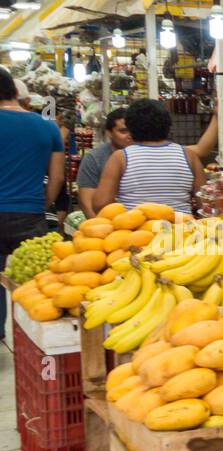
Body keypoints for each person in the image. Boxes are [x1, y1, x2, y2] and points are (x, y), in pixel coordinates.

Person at [0, 67, 63, 333]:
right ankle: (31, 335)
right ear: (15, 91)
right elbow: (57, 178)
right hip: (30, 213)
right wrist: (42, 202)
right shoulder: (47, 127)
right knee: (32, 283)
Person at [92, 99, 205, 216]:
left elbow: (101, 204)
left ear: (131, 127)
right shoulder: (188, 155)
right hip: (180, 230)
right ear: (168, 125)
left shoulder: (120, 157)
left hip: (135, 230)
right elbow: (204, 203)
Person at [76, 109, 130, 218]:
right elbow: (87, 203)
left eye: (133, 131)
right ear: (109, 133)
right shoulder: (95, 158)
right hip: (107, 223)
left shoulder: (142, 155)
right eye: (123, 131)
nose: (129, 135)